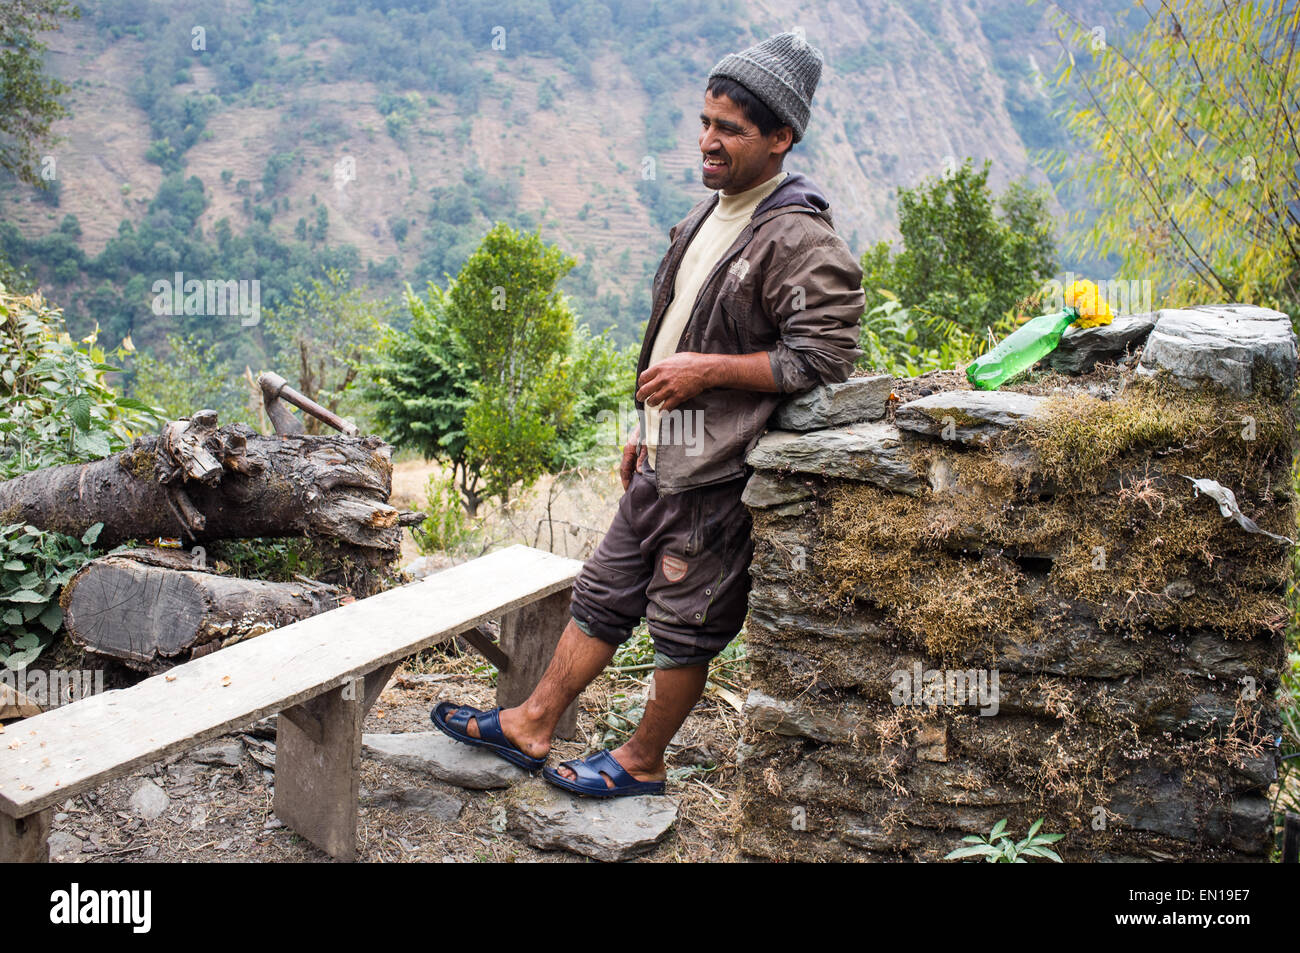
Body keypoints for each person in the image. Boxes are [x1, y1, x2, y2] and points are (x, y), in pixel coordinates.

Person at [433, 31, 864, 797]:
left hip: (718, 470)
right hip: (665, 455)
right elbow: (679, 333)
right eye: (705, 122)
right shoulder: (712, 217)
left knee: (682, 623)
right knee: (602, 593)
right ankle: (533, 720)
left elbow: (823, 358)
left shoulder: (799, 236)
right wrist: (647, 426)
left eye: (729, 129)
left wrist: (706, 375)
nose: (708, 140)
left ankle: (642, 760)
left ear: (781, 138)